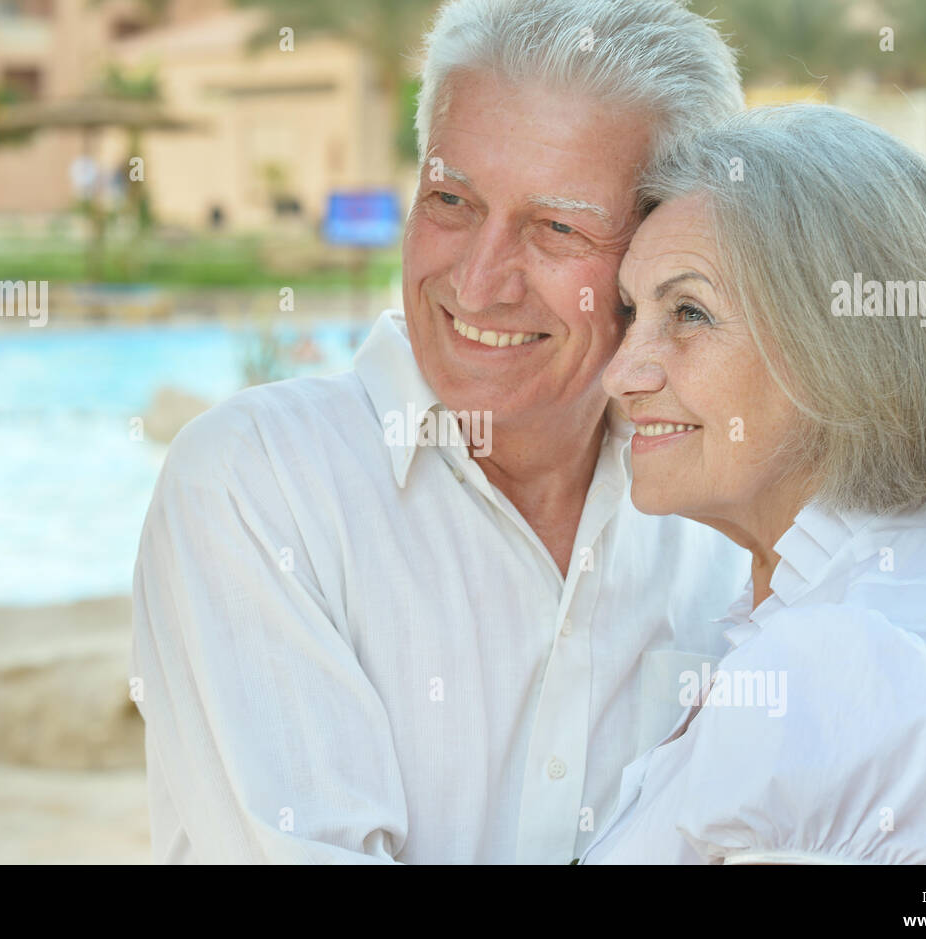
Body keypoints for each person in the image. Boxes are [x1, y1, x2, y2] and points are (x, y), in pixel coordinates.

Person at [130, 0, 749, 864]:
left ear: (668, 250)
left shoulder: (723, 528)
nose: (480, 278)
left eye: (557, 226)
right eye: (452, 200)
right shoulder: (255, 485)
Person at [581, 105, 926, 864]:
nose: (622, 372)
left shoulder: (830, 665)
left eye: (689, 312)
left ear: (841, 348)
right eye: (631, 312)